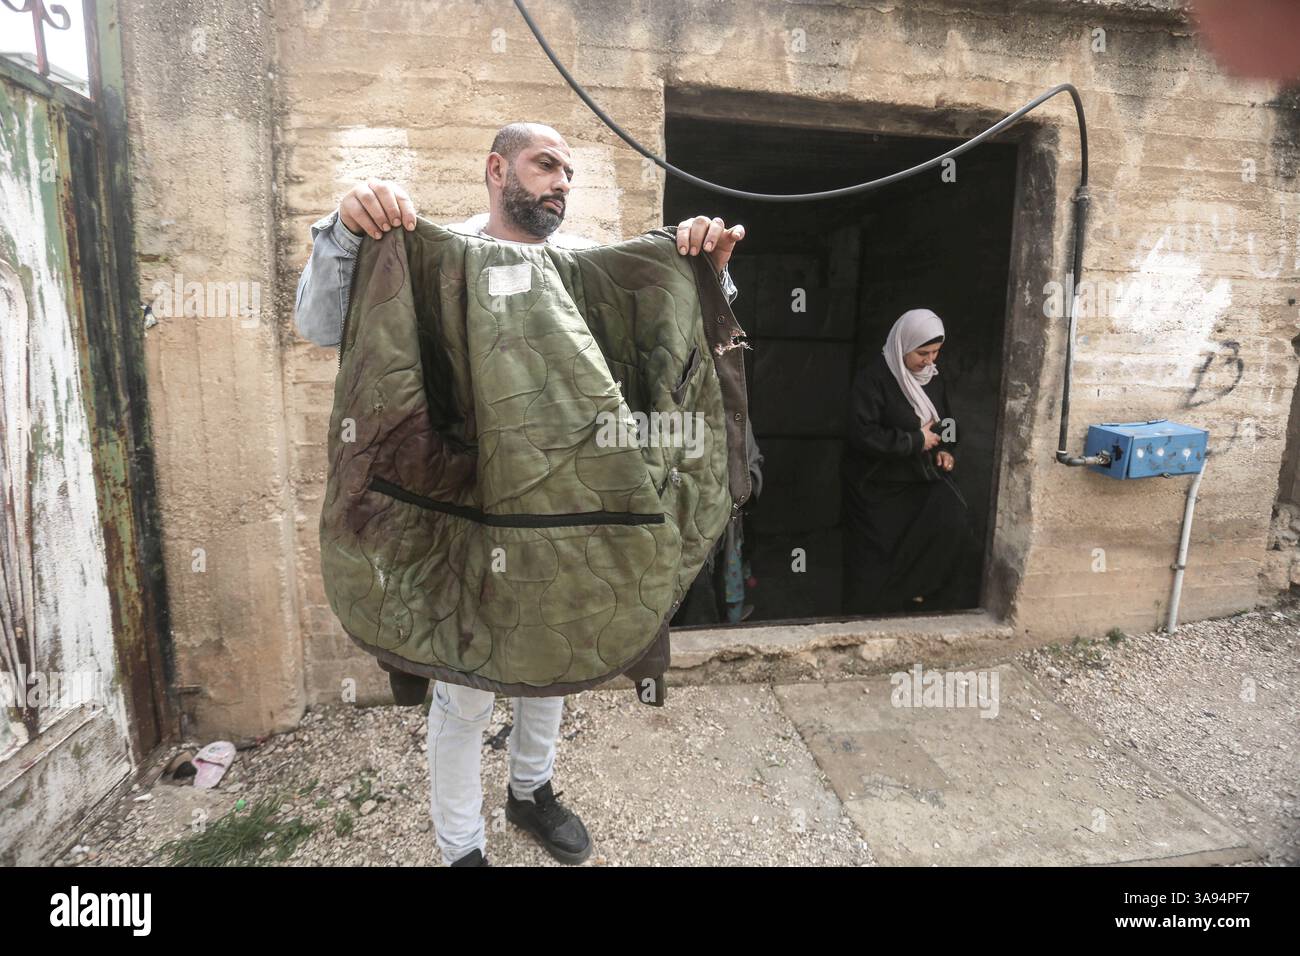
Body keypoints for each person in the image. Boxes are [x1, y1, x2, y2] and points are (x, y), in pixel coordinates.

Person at [294, 122, 746, 867]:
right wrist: (345, 230)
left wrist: (706, 265)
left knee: (556, 656)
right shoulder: (424, 254)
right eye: (545, 165)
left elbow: (682, 325)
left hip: (564, 510)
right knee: (466, 687)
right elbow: (318, 325)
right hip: (465, 512)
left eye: (568, 171)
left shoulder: (588, 268)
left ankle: (531, 792)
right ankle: (461, 847)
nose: (561, 181)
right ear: (496, 169)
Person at [840, 308, 979, 616]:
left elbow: (946, 423)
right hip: (876, 483)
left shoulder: (932, 379)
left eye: (936, 352)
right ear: (903, 345)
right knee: (877, 554)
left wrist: (946, 449)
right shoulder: (873, 379)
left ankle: (918, 598)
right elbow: (862, 434)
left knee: (951, 520)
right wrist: (915, 441)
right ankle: (865, 618)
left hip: (919, 476)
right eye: (923, 353)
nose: (930, 361)